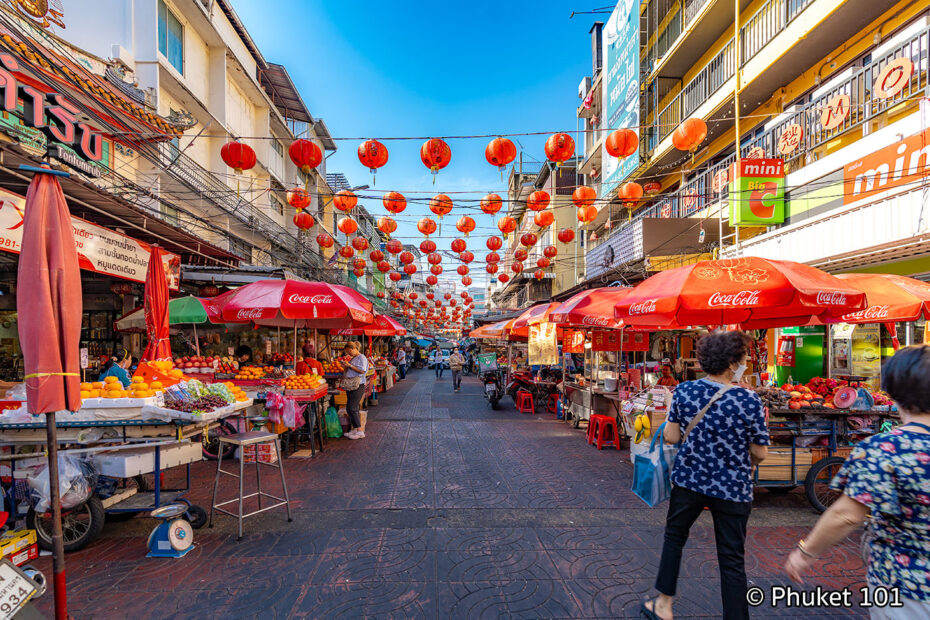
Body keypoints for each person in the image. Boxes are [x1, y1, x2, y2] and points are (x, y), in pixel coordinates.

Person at [784, 345, 930, 619]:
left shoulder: (884, 449)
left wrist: (805, 553)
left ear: (895, 392)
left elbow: (846, 515)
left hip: (905, 586)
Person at [643, 330, 769, 620]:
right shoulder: (749, 400)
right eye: (743, 358)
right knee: (732, 559)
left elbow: (672, 437)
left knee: (674, 537)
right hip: (733, 487)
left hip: (689, 480)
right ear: (731, 363)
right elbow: (760, 453)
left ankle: (663, 605)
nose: (746, 362)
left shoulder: (685, 391)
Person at [341, 342, 369, 440]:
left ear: (353, 348)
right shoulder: (354, 358)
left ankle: (360, 431)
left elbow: (362, 371)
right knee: (350, 408)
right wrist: (346, 366)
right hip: (351, 385)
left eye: (349, 351)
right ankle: (355, 429)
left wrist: (350, 366)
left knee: (352, 407)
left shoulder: (362, 358)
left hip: (358, 385)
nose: (349, 353)